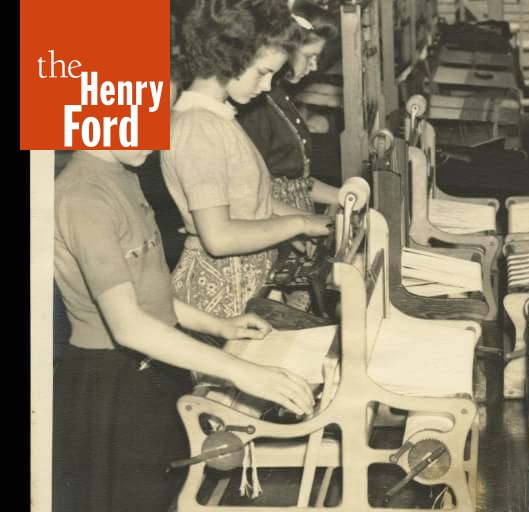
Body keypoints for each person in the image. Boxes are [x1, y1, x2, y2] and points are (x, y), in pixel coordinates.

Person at [53, 149, 316, 512]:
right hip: (112, 384)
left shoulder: (122, 173)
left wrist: (219, 325)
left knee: (174, 491)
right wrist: (240, 371)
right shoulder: (83, 196)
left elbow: (149, 290)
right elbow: (128, 325)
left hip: (154, 369)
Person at [162, 0, 333, 319]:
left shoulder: (220, 119)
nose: (267, 85)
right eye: (263, 72)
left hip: (245, 281)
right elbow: (219, 238)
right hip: (221, 295)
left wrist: (307, 225)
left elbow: (251, 201)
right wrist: (298, 223)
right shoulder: (198, 128)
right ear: (231, 58)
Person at [236, 0, 341, 311]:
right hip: (277, 237)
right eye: (310, 56)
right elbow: (253, 194)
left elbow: (297, 181)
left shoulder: (276, 96)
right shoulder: (254, 106)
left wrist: (341, 196)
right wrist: (301, 223)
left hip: (294, 231)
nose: (314, 66)